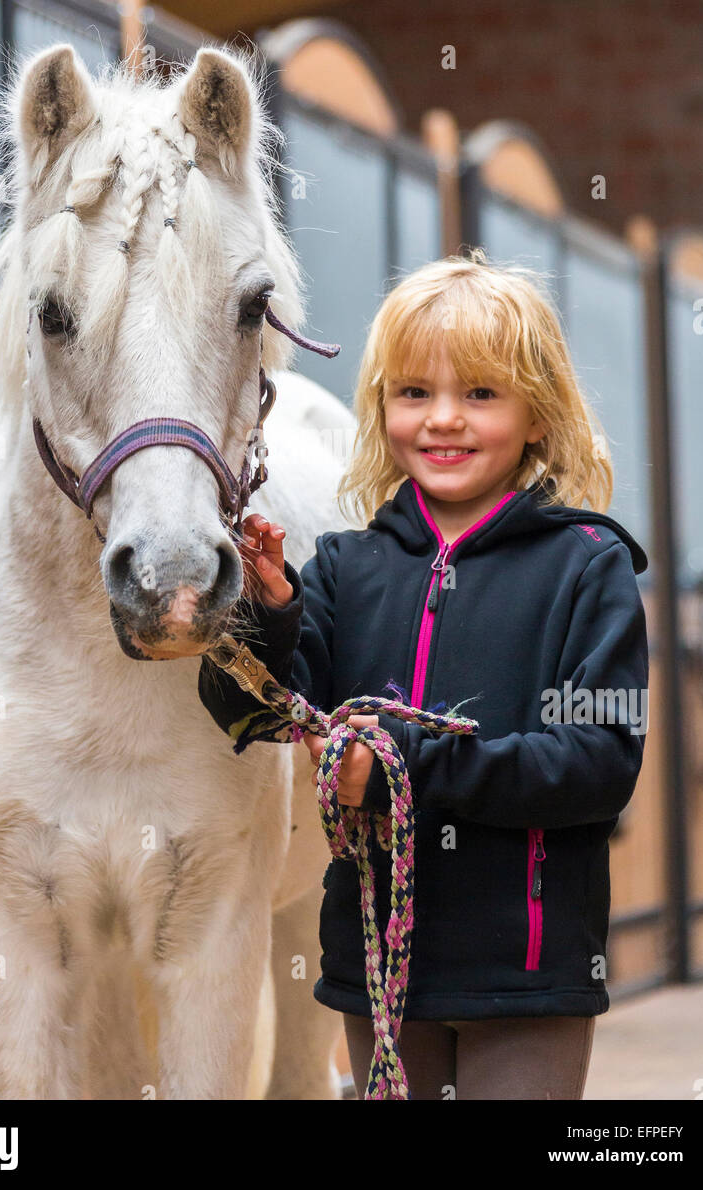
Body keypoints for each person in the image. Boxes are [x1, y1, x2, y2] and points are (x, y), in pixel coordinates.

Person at [197, 251, 649, 1100]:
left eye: (480, 394)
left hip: (527, 979)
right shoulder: (342, 567)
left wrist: (411, 765)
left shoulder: (591, 568)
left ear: (538, 414)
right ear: (384, 410)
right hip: (378, 970)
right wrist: (268, 613)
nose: (444, 420)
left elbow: (600, 765)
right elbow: (246, 713)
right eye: (415, 394)